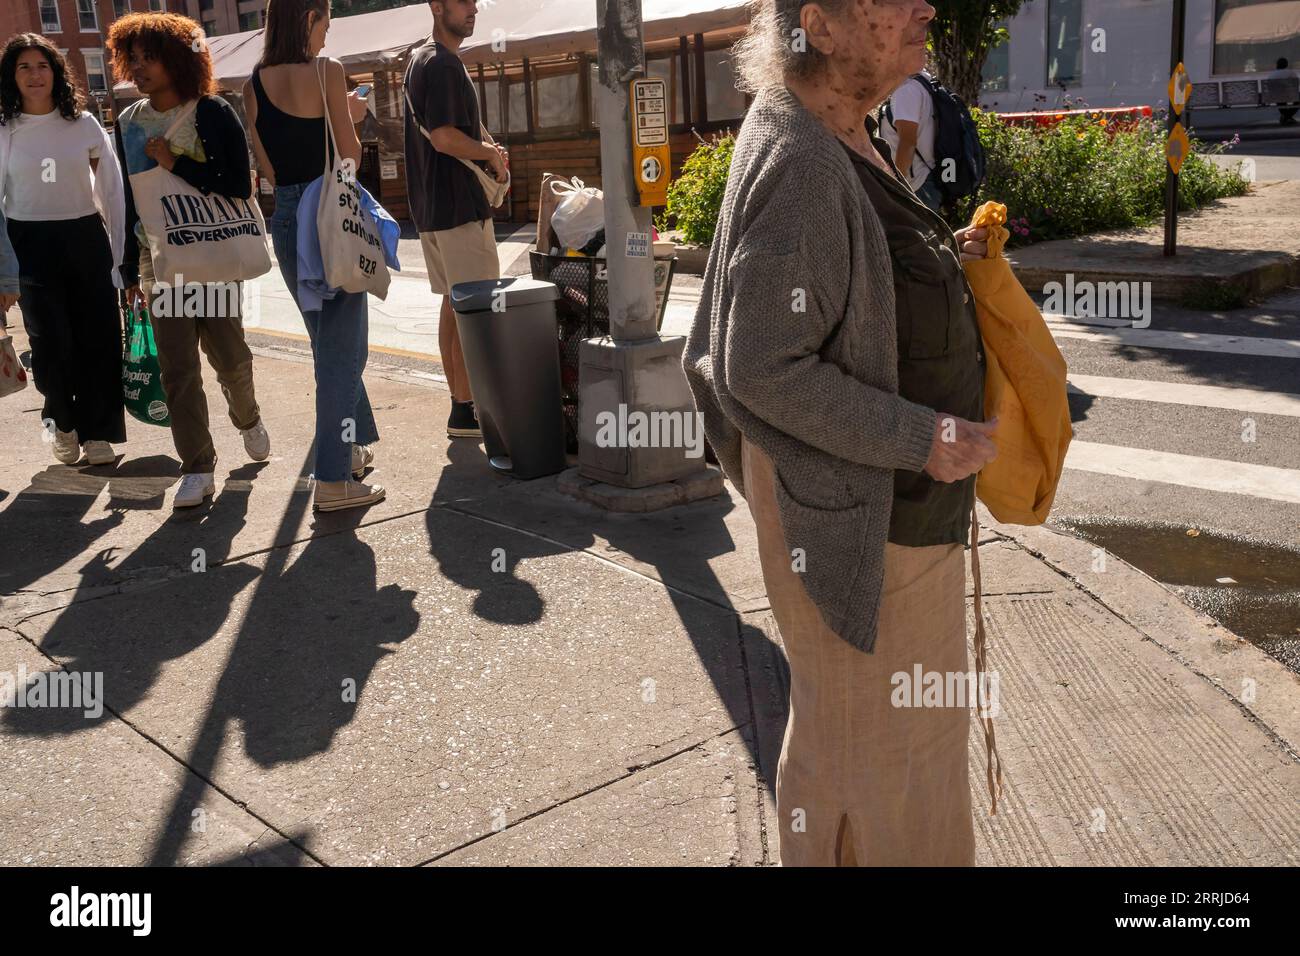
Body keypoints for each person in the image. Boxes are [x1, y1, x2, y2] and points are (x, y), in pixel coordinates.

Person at [683, 0, 999, 866]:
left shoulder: (842, 131)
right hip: (867, 528)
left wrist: (942, 261)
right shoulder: (804, 160)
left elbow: (850, 288)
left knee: (894, 756)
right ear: (820, 25)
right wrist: (924, 437)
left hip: (887, 521)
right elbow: (760, 367)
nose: (925, 7)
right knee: (876, 762)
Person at [108, 11, 271, 509]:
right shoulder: (129, 124)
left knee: (231, 359)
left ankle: (247, 417)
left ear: (178, 60)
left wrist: (174, 162)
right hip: (160, 263)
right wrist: (129, 266)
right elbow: (131, 202)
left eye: (149, 57)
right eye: (131, 58)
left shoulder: (213, 111)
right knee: (178, 371)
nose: (138, 68)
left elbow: (237, 185)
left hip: (212, 255)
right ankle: (197, 467)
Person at [244, 0, 385, 513]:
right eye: (326, 20)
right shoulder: (328, 72)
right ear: (309, 18)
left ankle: (348, 450)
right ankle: (331, 479)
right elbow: (347, 160)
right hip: (328, 216)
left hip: (286, 220)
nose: (328, 32)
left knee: (330, 344)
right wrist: (352, 114)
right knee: (342, 354)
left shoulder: (252, 84)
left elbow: (270, 170)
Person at [0, 34, 127, 466]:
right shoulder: (5, 130)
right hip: (29, 243)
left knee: (99, 339)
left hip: (84, 239)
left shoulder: (84, 124)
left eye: (42, 65)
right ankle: (62, 423)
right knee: (50, 344)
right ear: (11, 77)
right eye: (24, 67)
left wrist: (120, 255)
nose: (35, 75)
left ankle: (98, 434)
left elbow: (112, 191)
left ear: (55, 72)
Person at [403, 0, 509, 439]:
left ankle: (461, 408)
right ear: (437, 5)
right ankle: (471, 409)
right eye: (463, 2)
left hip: (431, 208)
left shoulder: (418, 58)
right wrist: (490, 154)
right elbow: (446, 137)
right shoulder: (443, 64)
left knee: (454, 304)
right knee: (477, 311)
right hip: (458, 206)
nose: (473, 10)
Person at [879, 68, 943, 212]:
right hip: (930, 179)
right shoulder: (924, 81)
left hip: (917, 185)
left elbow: (907, 142)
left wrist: (895, 186)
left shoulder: (905, 91)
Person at [1269, 57, 1298, 126]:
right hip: (1290, 95)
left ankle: (1286, 117)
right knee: (1297, 101)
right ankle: (1287, 117)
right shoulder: (1291, 72)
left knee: (1279, 98)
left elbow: (1270, 87)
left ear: (1277, 64)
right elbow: (1296, 84)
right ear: (1286, 64)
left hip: (1276, 97)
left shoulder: (1272, 74)